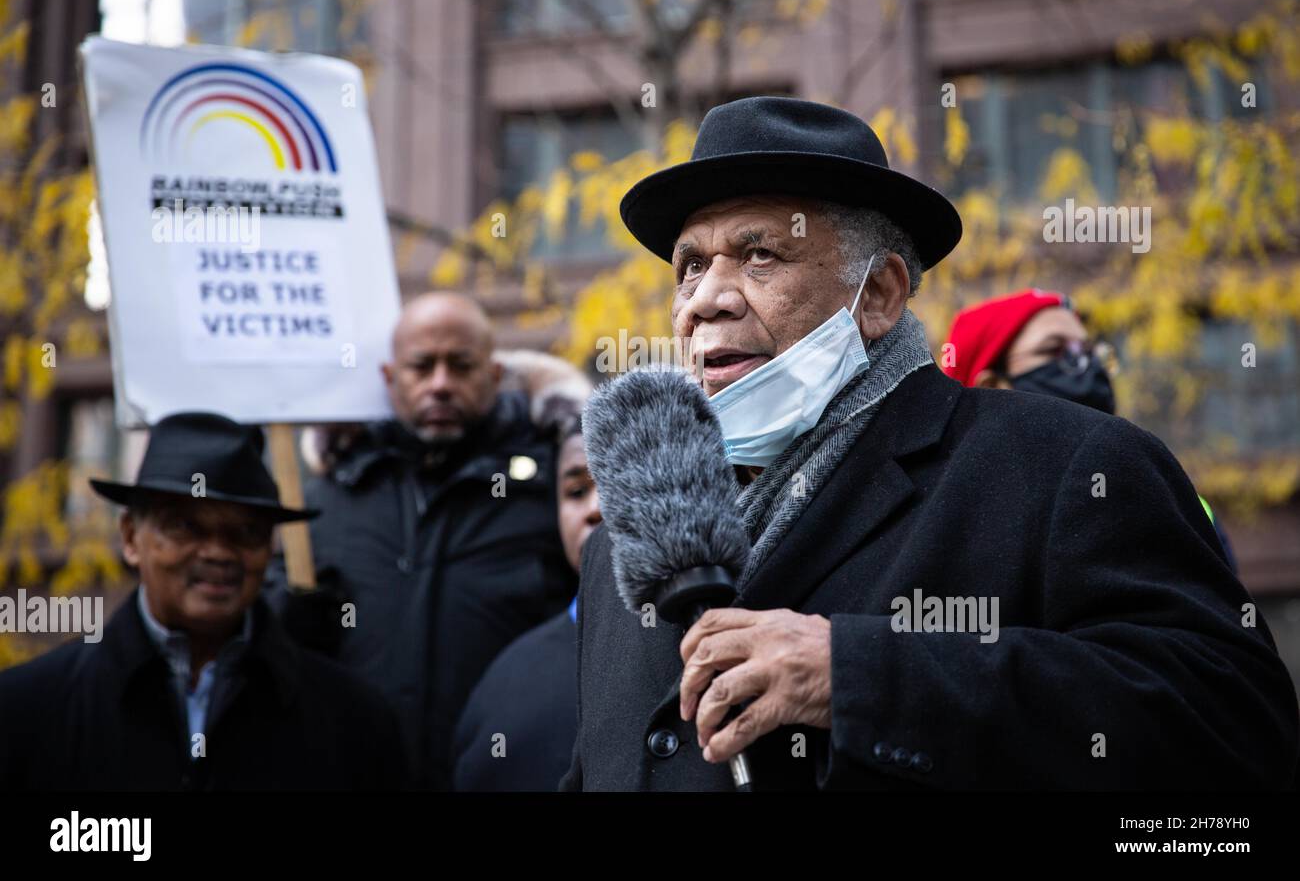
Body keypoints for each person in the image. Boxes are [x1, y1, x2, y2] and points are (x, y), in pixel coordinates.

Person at [561, 96, 1298, 791]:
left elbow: (1234, 727)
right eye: (691, 265)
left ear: (879, 294)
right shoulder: (621, 552)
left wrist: (856, 675)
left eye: (759, 255)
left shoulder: (1066, 465)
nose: (705, 300)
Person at [265, 291, 586, 790]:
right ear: (390, 378)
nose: (440, 384)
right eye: (422, 366)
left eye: (461, 366)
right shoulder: (326, 496)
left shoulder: (556, 491)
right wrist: (285, 615)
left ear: (496, 376)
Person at [0, 412, 405, 791]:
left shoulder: (353, 722)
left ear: (270, 546)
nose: (217, 553)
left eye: (245, 531)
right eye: (184, 526)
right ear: (129, 538)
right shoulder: (28, 710)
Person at [941, 288, 1238, 570]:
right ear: (993, 388)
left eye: (1089, 350)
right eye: (1055, 350)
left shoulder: (1162, 486)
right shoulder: (956, 518)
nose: (1086, 365)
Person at [452, 416, 599, 791]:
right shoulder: (508, 676)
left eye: (619, 482)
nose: (595, 508)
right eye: (577, 490)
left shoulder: (722, 647)